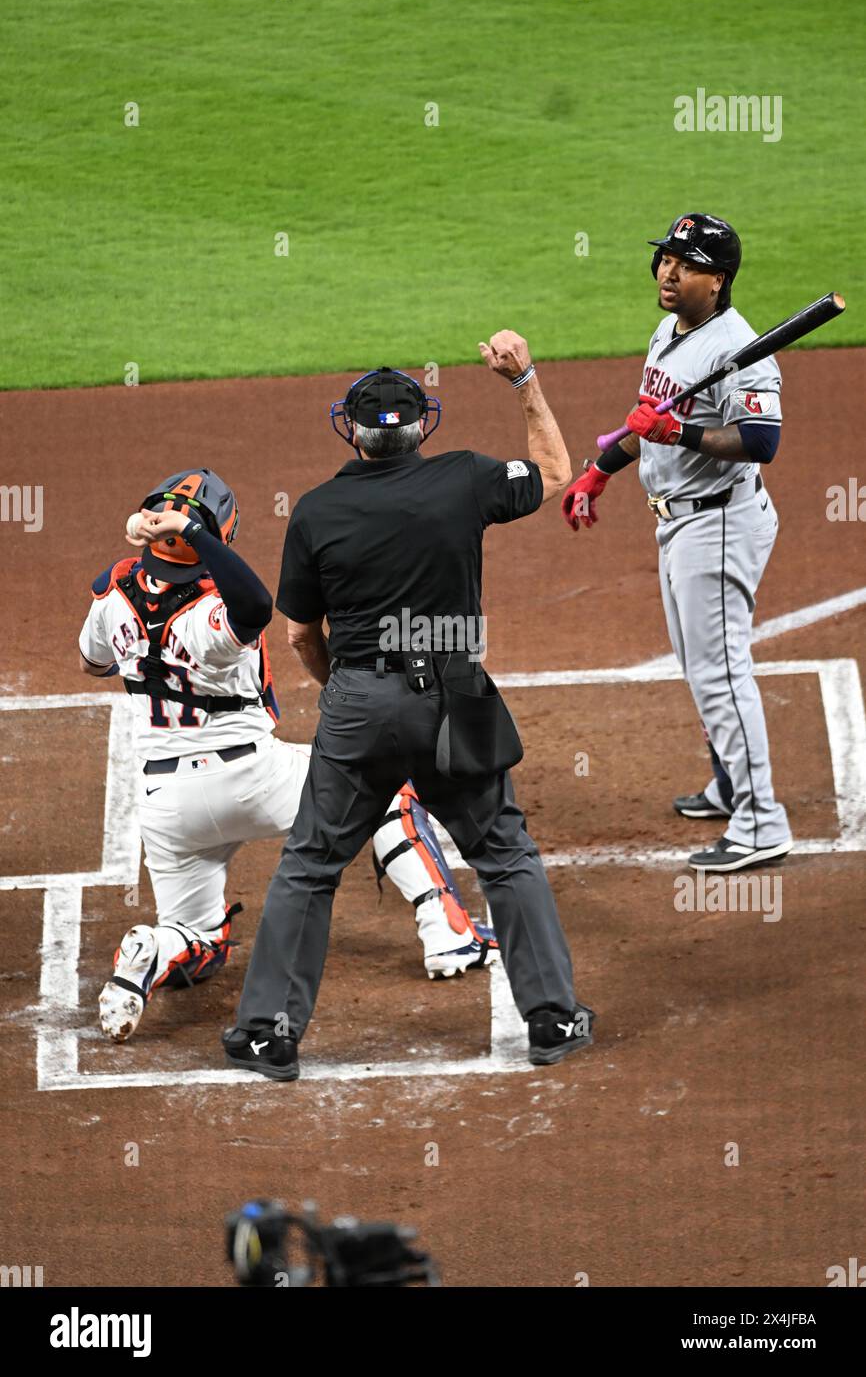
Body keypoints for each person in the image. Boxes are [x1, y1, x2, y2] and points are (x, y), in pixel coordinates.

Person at [223, 348, 595, 1082]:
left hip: (361, 704)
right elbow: (554, 471)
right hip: (453, 698)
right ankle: (552, 1019)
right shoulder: (463, 479)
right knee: (504, 854)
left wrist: (348, 692)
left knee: (309, 866)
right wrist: (524, 382)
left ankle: (270, 1033)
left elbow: (300, 632)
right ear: (422, 428)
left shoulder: (319, 509)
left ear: (353, 434)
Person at [78, 469, 496, 1044]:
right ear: (219, 531)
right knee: (385, 791)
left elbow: (93, 660)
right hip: (251, 776)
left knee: (199, 945)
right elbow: (255, 606)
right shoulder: (214, 609)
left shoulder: (112, 594)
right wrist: (194, 538)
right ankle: (448, 932)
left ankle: (152, 948)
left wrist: (140, 561)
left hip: (166, 807)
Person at [562, 213, 793, 872]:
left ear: (716, 281)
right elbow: (647, 419)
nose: (668, 271)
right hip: (680, 521)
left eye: (685, 264)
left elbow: (760, 441)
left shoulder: (742, 349)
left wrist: (678, 436)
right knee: (703, 666)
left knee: (719, 672)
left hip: (719, 523)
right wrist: (600, 472)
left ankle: (760, 824)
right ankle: (730, 784)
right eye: (665, 257)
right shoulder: (669, 331)